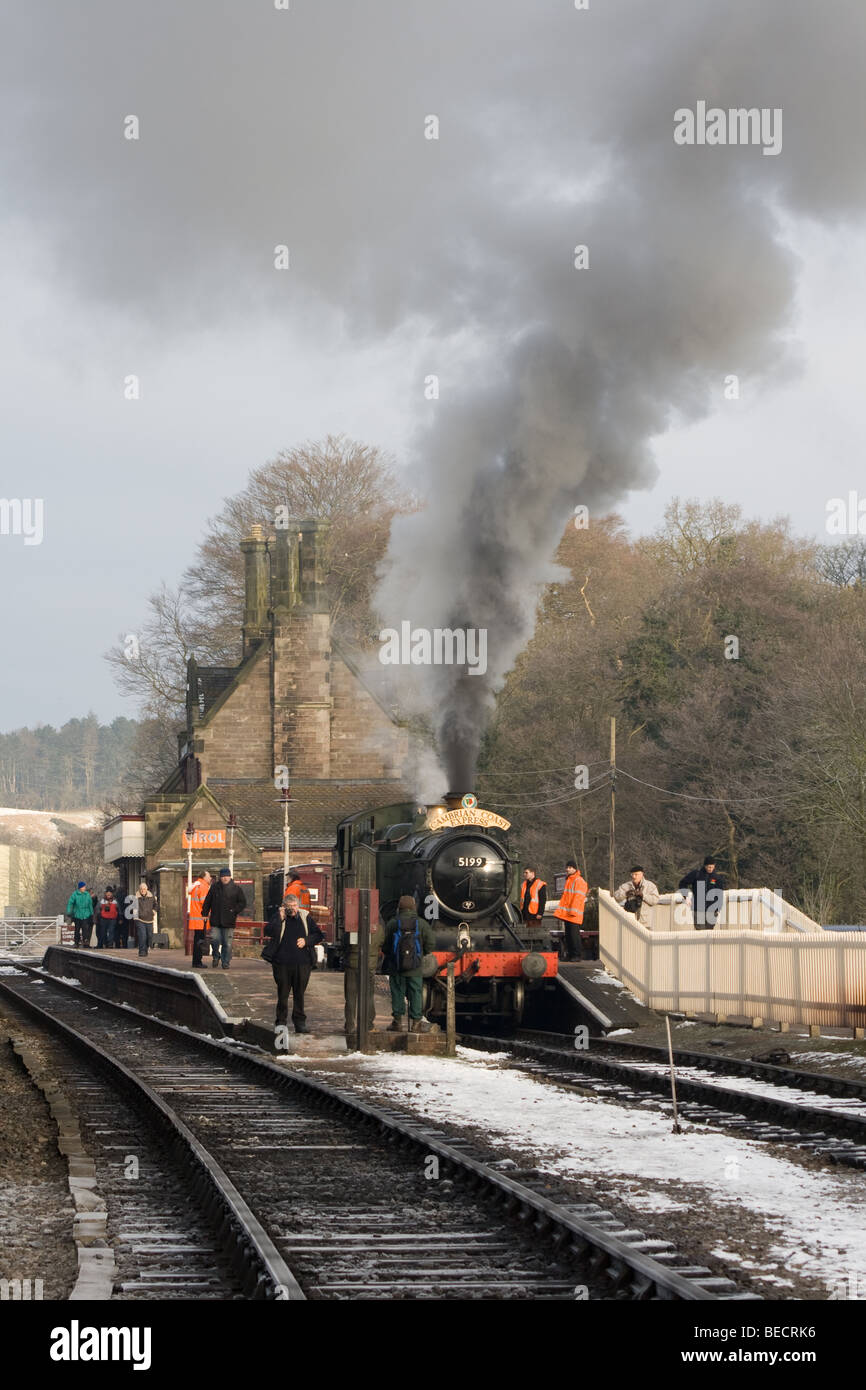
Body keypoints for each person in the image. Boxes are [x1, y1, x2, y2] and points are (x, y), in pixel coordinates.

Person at [264, 893, 324, 1033]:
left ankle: (300, 1022)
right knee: (283, 994)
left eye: (295, 906)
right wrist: (280, 918)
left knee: (300, 994)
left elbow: (319, 935)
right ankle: (281, 1022)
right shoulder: (279, 916)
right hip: (282, 963)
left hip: (302, 962)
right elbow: (268, 931)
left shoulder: (305, 916)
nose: (292, 909)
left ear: (298, 905)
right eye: (289, 906)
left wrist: (306, 941)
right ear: (284, 907)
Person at [382, 895, 436, 1033]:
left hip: (396, 966)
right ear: (413, 907)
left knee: (397, 992)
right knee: (415, 992)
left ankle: (397, 1022)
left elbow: (385, 944)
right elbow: (431, 943)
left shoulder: (393, 923)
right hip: (415, 966)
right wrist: (419, 955)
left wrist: (393, 956)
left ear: (399, 908)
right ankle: (416, 1023)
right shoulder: (422, 923)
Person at [343, 914, 385, 1048]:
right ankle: (368, 1024)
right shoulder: (378, 926)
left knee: (350, 996)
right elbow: (382, 942)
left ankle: (350, 1025)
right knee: (368, 996)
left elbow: (345, 943)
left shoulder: (353, 924)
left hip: (353, 964)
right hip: (369, 965)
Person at [202, 867, 247, 970]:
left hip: (229, 920)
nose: (225, 878)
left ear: (230, 877)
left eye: (227, 876)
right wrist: (204, 913)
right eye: (223, 876)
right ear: (220, 877)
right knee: (214, 940)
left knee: (227, 943)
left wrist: (234, 910)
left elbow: (242, 902)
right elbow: (207, 901)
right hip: (215, 920)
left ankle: (225, 962)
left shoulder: (236, 888)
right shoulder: (214, 887)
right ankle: (215, 956)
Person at [678, 857, 727, 930]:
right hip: (698, 909)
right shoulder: (696, 875)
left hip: (711, 910)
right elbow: (682, 883)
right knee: (700, 932)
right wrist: (686, 897)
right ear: (705, 866)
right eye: (709, 867)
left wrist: (717, 909)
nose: (710, 869)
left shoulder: (717, 878)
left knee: (709, 933)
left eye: (712, 867)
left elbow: (719, 894)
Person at [554, 860, 589, 960]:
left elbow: (578, 897)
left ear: (575, 869)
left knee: (574, 935)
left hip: (574, 913)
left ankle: (576, 955)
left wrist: (572, 911)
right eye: (567, 867)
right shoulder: (570, 880)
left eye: (570, 867)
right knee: (569, 935)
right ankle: (570, 954)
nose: (567, 869)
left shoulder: (579, 881)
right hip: (568, 913)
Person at [187, 870, 212, 967]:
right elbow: (205, 903)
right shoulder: (203, 887)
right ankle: (198, 962)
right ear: (204, 877)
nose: (210, 878)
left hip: (196, 918)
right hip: (201, 919)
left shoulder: (196, 886)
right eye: (209, 876)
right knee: (200, 941)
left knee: (197, 940)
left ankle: (196, 961)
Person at [132, 880, 157, 956]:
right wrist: (135, 916)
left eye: (144, 889)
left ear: (147, 889)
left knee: (149, 936)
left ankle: (145, 949)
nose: (143, 890)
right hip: (140, 919)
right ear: (140, 890)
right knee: (143, 935)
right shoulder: (136, 898)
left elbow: (156, 905)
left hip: (149, 919)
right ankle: (142, 951)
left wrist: (154, 911)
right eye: (141, 889)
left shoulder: (151, 897)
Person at [66, 881, 94, 948]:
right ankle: (76, 942)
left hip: (86, 914)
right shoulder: (75, 894)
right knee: (77, 929)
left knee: (85, 929)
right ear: (80, 888)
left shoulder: (87, 894)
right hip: (77, 914)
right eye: (83, 887)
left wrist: (91, 913)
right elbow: (70, 903)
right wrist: (69, 911)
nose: (84, 888)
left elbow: (90, 904)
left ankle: (85, 942)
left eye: (84, 886)